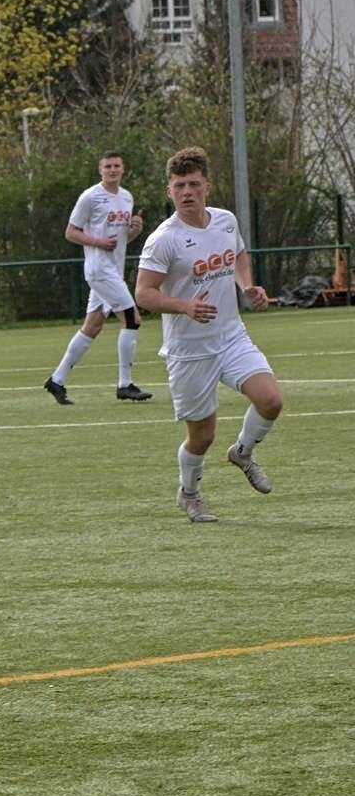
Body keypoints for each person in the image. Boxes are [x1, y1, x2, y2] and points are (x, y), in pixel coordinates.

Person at [134, 146, 285, 524]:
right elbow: (143, 294)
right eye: (179, 185)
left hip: (231, 336)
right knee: (202, 435)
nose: (187, 191)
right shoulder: (163, 239)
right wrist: (186, 307)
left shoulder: (225, 221)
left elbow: (238, 256)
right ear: (169, 192)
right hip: (189, 350)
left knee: (271, 401)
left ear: (207, 187)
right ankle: (190, 493)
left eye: (194, 184)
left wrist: (248, 286)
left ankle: (244, 453)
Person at [44, 151, 152, 405]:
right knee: (132, 319)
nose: (112, 170)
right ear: (100, 170)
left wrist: (134, 230)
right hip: (98, 269)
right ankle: (125, 384)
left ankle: (56, 380)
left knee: (92, 326)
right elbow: (71, 232)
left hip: (113, 270)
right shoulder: (91, 196)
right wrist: (97, 242)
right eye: (108, 166)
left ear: (123, 169)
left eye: (116, 166)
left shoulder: (126, 197)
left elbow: (121, 239)